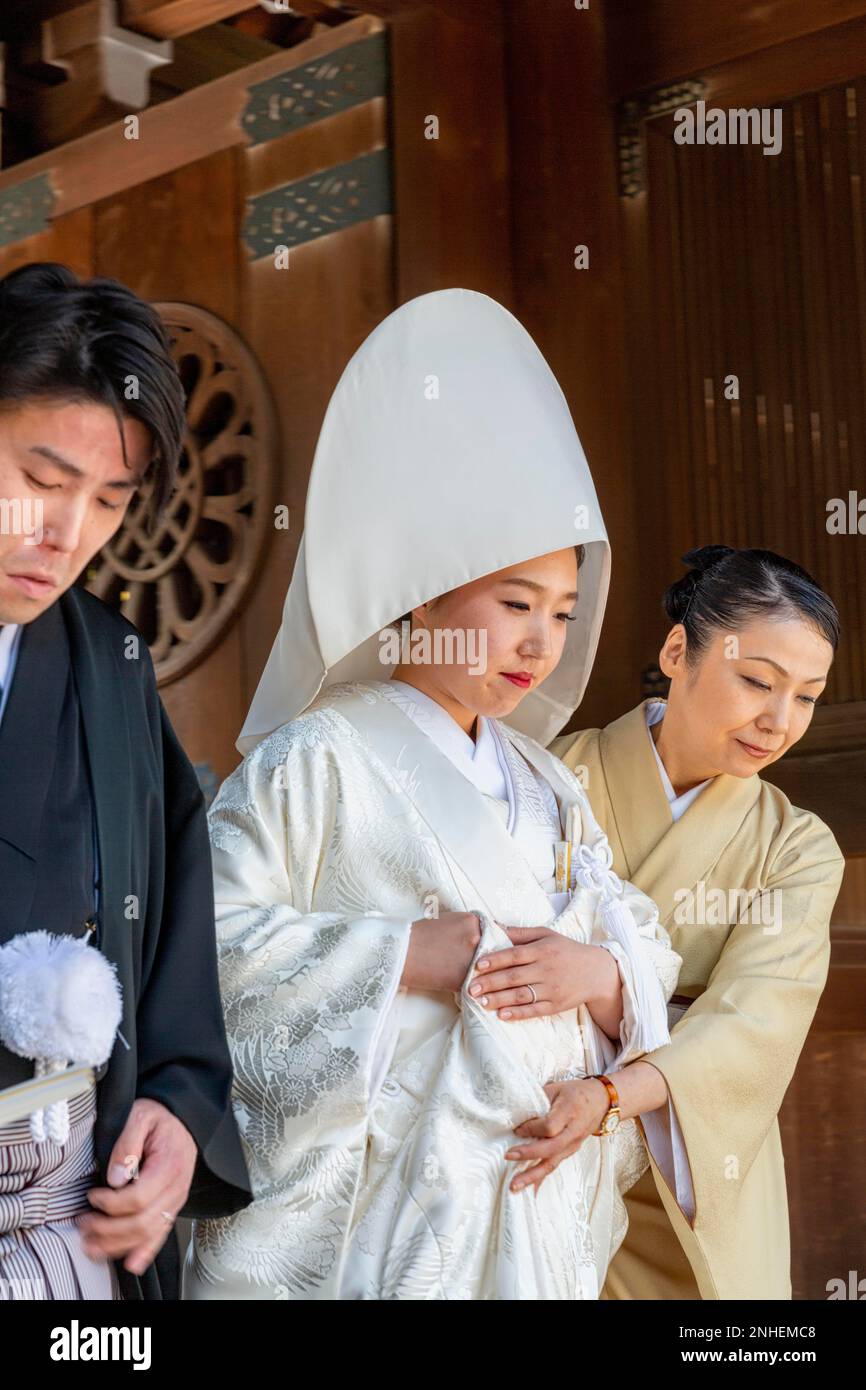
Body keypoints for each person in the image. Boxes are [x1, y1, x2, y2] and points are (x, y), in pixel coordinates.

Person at [184, 287, 682, 1301]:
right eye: (512, 604)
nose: (538, 644)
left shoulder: (544, 781)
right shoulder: (315, 758)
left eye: (560, 610)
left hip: (529, 1208)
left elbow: (637, 933)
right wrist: (399, 956)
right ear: (423, 591)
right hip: (380, 1226)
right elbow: (209, 943)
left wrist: (600, 974)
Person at [0, 261, 252, 1301]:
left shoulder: (108, 663)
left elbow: (171, 952)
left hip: (65, 1227)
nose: (68, 535)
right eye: (40, 479)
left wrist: (177, 1113)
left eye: (108, 499)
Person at [534, 544, 845, 1299]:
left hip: (695, 1176)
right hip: (543, 1156)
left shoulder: (796, 847)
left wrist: (611, 1085)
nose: (779, 721)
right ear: (679, 651)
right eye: (757, 682)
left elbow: (753, 1025)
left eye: (806, 696)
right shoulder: (545, 778)